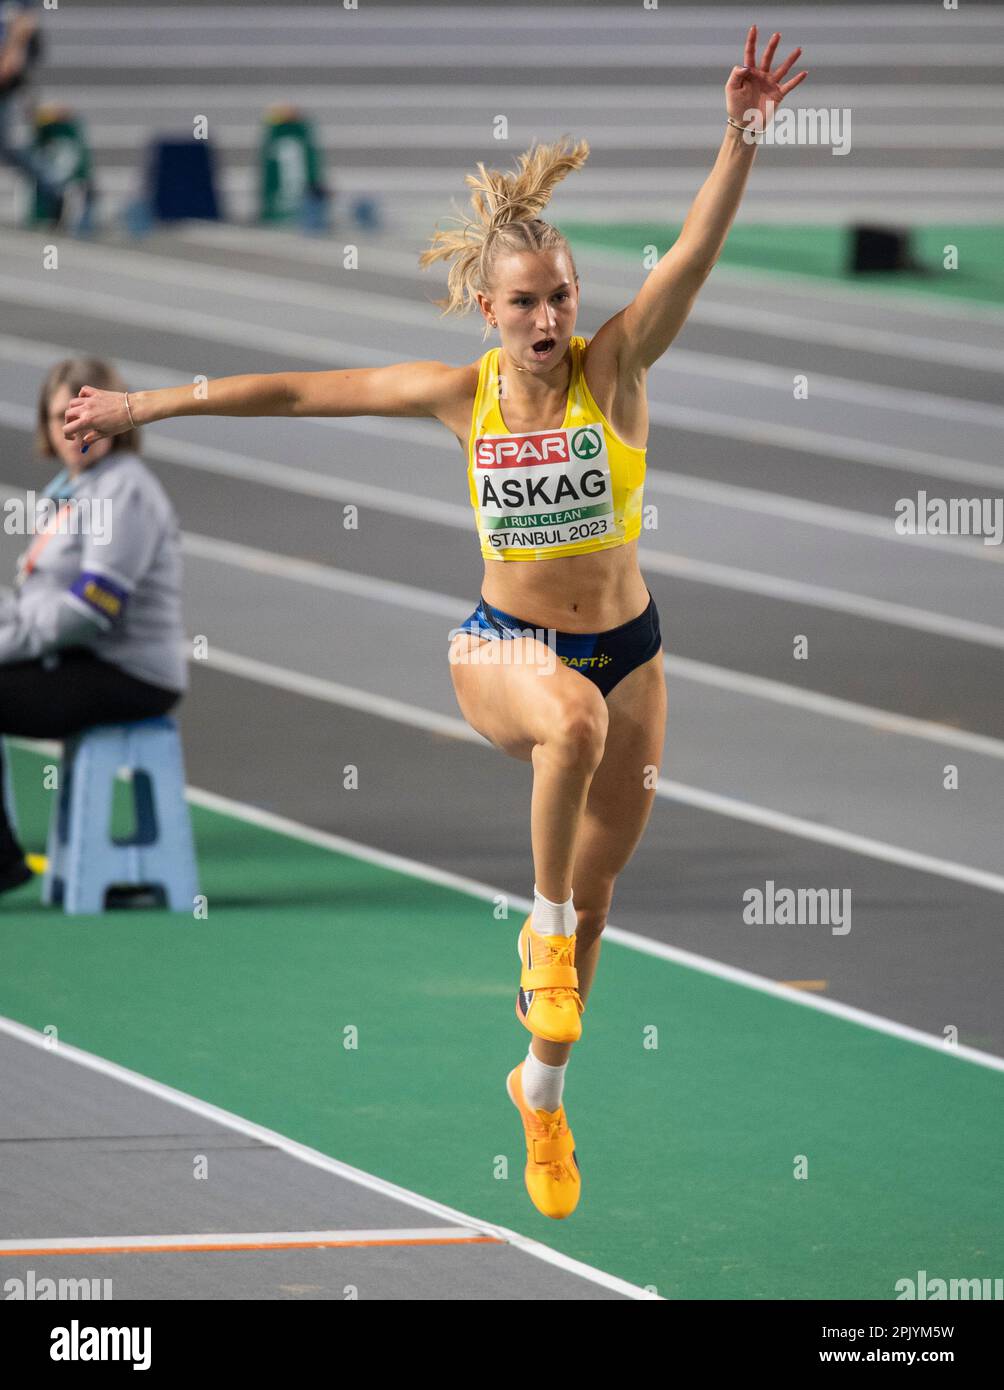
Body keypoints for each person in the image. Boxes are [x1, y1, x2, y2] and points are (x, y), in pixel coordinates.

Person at [60, 26, 807, 1217]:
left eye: (562, 293)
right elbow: (299, 391)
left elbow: (695, 255)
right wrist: (151, 398)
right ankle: (541, 932)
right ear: (485, 304)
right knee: (567, 732)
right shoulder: (456, 395)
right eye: (525, 301)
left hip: (632, 653)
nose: (549, 316)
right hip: (498, 652)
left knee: (604, 883)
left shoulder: (614, 372)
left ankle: (542, 1090)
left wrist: (740, 136)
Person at [0, 358, 187, 896]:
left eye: (91, 412)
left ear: (120, 419)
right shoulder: (71, 489)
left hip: (129, 675)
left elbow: (88, 612)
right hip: (80, 661)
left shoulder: (123, 490)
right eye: (64, 414)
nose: (78, 426)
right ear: (45, 425)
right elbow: (37, 600)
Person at [0, 0, 71, 222]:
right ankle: (52, 186)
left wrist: (14, 48)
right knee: (8, 149)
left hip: (6, 87)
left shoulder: (19, 12)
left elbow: (12, 62)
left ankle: (53, 187)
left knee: (8, 149)